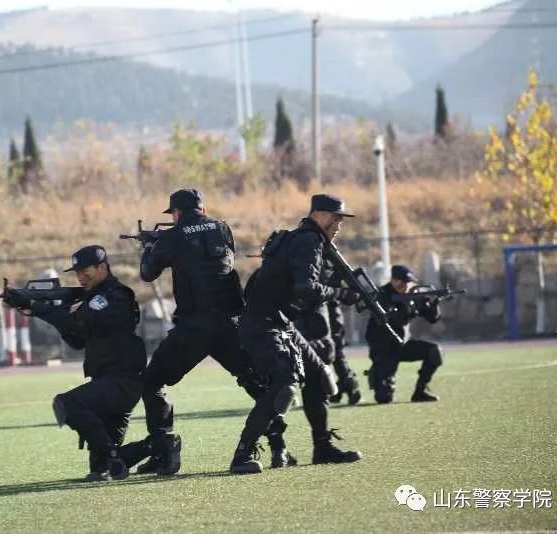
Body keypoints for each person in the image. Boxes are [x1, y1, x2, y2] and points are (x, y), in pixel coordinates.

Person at [130, 188, 286, 476]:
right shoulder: (223, 228)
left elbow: (148, 273)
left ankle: (163, 452)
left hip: (195, 326)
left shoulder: (173, 236)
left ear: (176, 213)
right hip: (231, 323)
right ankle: (278, 445)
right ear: (202, 208)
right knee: (255, 382)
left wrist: (151, 246)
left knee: (152, 382)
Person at [229, 193, 363, 474]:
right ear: (321, 215)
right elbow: (307, 288)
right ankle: (242, 454)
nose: (339, 224)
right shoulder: (309, 241)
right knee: (283, 385)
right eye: (336, 218)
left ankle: (322, 447)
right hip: (262, 324)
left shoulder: (299, 238)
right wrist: (343, 294)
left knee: (319, 376)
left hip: (279, 322)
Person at [5, 245, 147, 482]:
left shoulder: (111, 296)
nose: (81, 278)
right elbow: (77, 339)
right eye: (77, 273)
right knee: (99, 469)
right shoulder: (93, 298)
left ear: (102, 267)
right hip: (108, 383)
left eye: (86, 272)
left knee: (66, 404)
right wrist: (49, 310)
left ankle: (113, 454)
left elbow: (73, 323)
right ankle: (154, 447)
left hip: (121, 383)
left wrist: (36, 307)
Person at [365, 264, 443, 404]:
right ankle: (377, 373)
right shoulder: (382, 295)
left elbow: (432, 318)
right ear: (394, 281)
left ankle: (420, 391)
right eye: (403, 284)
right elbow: (389, 318)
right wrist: (410, 305)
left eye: (409, 283)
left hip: (403, 344)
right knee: (384, 398)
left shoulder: (412, 295)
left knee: (434, 351)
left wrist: (434, 303)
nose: (407, 287)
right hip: (384, 349)